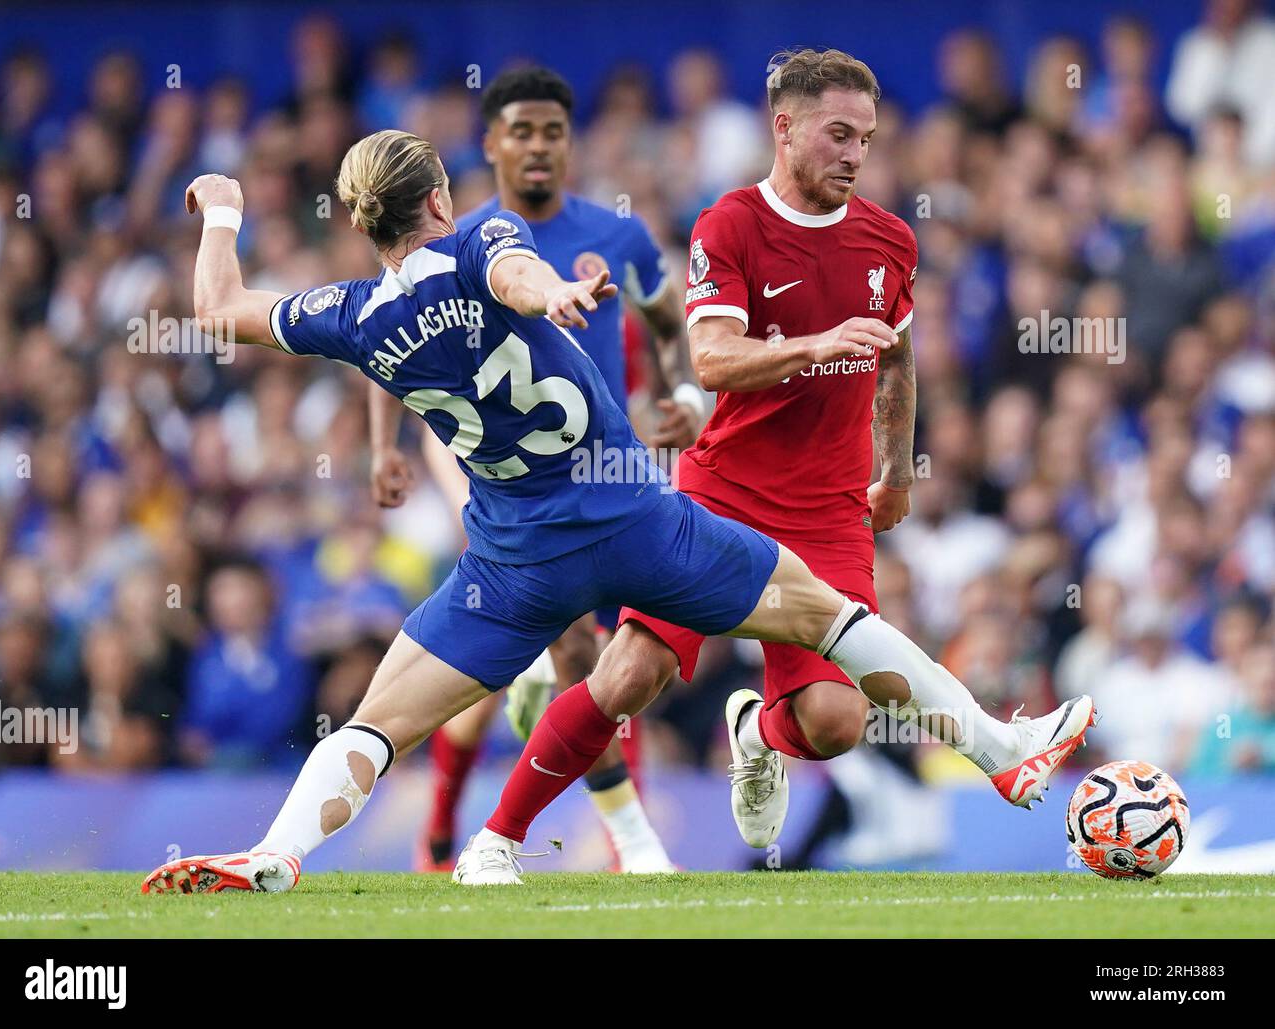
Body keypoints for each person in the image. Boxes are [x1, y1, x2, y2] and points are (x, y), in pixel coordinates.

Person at [142, 124, 1092, 896]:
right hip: (639, 526)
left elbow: (219, 305)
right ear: (437, 198)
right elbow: (514, 274)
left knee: (375, 724)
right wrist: (553, 290)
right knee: (836, 620)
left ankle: (276, 852)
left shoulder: (349, 315)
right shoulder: (482, 238)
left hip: (514, 567)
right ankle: (1001, 751)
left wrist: (222, 207)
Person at [454, 49, 1096, 885]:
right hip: (720, 497)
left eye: (865, 138)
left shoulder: (890, 240)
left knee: (835, 721)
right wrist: (816, 345)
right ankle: (494, 840)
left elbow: (897, 362)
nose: (855, 155)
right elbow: (713, 360)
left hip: (828, 509)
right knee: (627, 676)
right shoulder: (728, 226)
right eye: (838, 134)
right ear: (783, 126)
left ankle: (758, 731)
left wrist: (895, 471)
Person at [366, 67, 697, 874]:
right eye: (521, 131)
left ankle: (460, 823)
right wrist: (384, 447)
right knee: (571, 653)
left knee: (628, 653)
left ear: (569, 141)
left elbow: (664, 318)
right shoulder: (456, 244)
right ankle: (619, 840)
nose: (539, 146)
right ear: (491, 144)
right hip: (511, 487)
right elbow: (383, 349)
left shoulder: (619, 235)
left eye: (552, 131)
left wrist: (678, 390)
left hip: (615, 481)